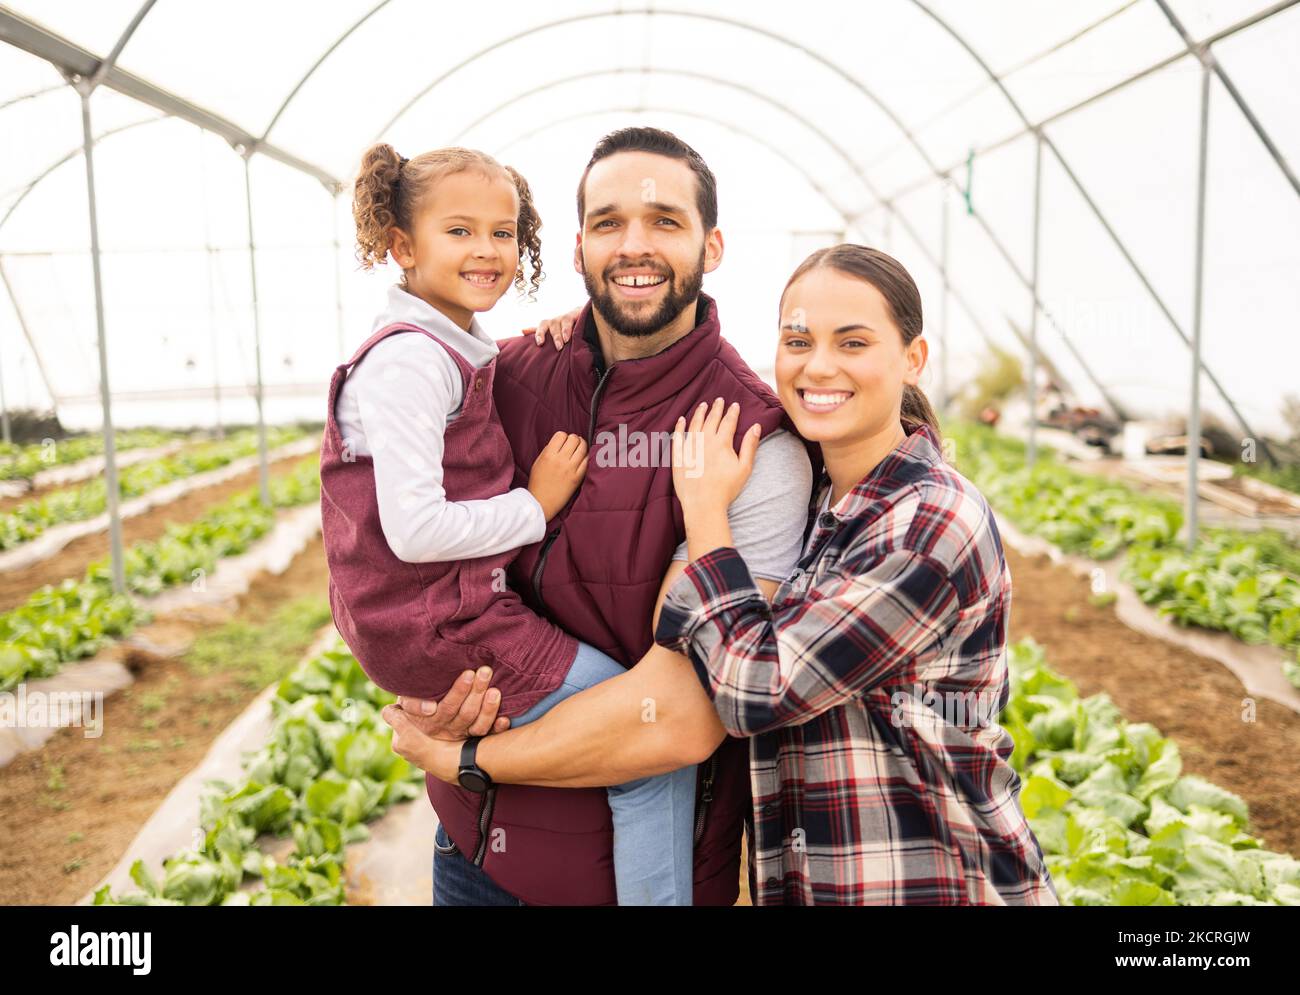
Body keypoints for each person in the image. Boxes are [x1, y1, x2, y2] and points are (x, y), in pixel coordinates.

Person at [384, 244, 1060, 906]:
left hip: (931, 876)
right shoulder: (829, 493)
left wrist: (706, 513)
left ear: (913, 358)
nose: (818, 365)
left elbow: (748, 688)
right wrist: (598, 324)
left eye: (852, 343)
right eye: (798, 341)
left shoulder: (928, 524)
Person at [387, 126, 815, 906]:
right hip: (478, 859)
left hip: (639, 880)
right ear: (579, 246)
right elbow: (409, 556)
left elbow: (677, 722)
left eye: (666, 222)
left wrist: (471, 757)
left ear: (711, 246)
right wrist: (433, 684)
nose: (635, 246)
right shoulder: (503, 378)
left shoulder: (755, 443)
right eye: (610, 223)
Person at [319, 142, 700, 905]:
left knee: (620, 732)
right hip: (446, 620)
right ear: (402, 245)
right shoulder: (409, 363)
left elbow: (484, 367)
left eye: (503, 232)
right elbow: (415, 530)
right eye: (458, 232)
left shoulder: (452, 343)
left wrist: (575, 325)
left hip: (439, 614)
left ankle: (481, 767)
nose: (486, 250)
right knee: (646, 743)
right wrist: (539, 504)